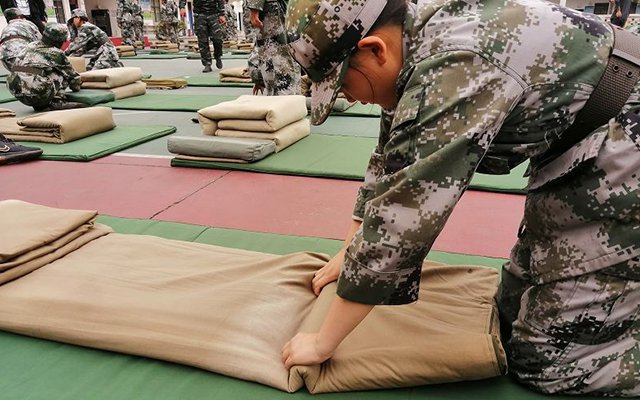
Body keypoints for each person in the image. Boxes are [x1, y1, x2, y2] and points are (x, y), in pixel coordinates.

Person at [282, 0, 640, 397]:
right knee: (510, 309)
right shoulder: (414, 47)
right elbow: (387, 168)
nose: (353, 98)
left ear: (374, 49)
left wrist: (322, 342)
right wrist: (346, 254)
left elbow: (404, 219)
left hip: (626, 138)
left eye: (345, 84)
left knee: (551, 363)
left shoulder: (454, 65)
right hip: (585, 137)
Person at [7, 23, 84, 111]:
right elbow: (73, 77)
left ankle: (41, 104)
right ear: (61, 40)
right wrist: (77, 87)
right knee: (61, 73)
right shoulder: (55, 53)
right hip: (34, 92)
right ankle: (57, 101)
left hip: (14, 88)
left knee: (38, 72)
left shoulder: (30, 45)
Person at [246, 0, 299, 95]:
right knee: (284, 58)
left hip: (272, 9)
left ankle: (285, 103)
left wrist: (255, 8)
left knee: (279, 64)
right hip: (284, 8)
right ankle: (292, 102)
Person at [179, 0, 225, 72]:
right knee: (202, 41)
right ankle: (207, 64)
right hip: (199, 15)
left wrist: (221, 14)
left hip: (213, 14)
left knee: (217, 39)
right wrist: (182, 7)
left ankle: (217, 55)